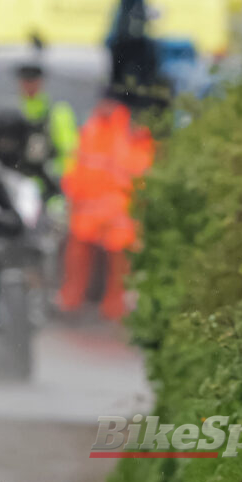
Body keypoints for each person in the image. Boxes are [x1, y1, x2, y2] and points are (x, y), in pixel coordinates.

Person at [56, 87, 155, 321]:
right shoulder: (91, 128)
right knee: (78, 255)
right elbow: (79, 163)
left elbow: (138, 168)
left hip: (119, 210)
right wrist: (72, 193)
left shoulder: (130, 130)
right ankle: (73, 300)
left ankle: (113, 306)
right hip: (89, 207)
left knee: (119, 261)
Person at [15, 60, 78, 200]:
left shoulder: (58, 113)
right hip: (21, 190)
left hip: (51, 189)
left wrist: (58, 178)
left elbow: (70, 154)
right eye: (25, 81)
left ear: (41, 82)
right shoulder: (14, 114)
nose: (28, 85)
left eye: (32, 80)